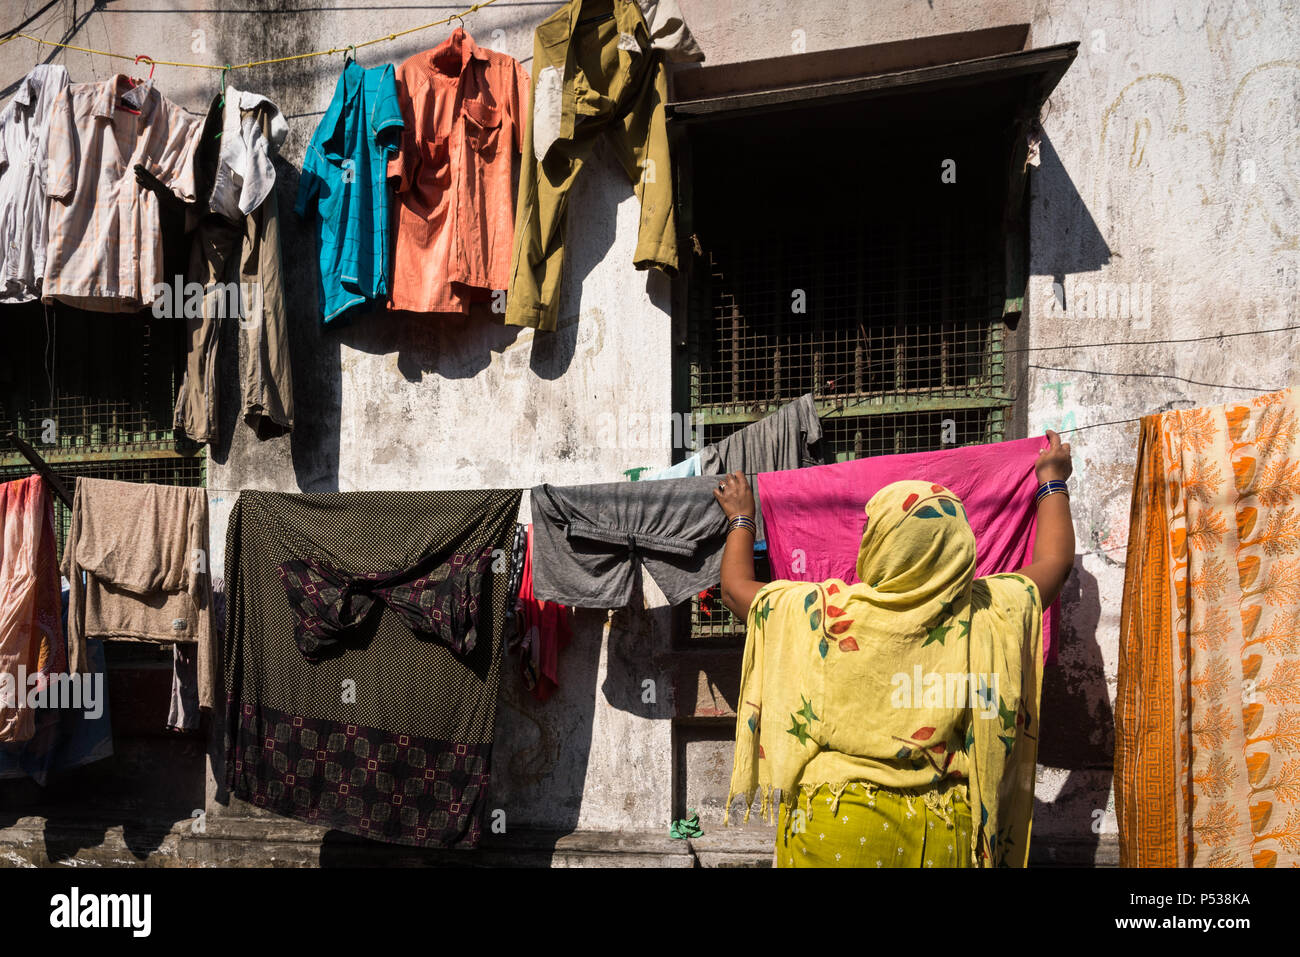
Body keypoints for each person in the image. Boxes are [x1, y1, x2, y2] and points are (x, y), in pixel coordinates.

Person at [712, 430, 1075, 867]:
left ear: (881, 543)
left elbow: (734, 592)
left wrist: (741, 518)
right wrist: (1052, 480)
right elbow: (1054, 567)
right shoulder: (985, 613)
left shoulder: (827, 612)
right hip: (941, 831)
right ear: (959, 545)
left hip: (835, 826)